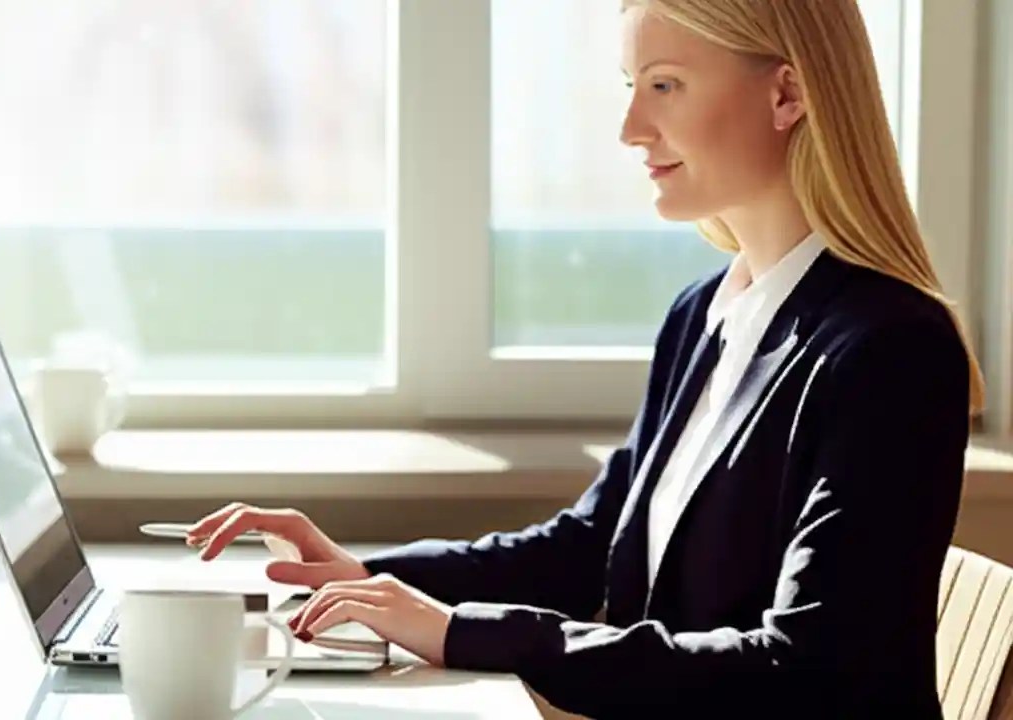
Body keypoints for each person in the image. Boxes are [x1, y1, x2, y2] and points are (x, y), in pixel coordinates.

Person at [188, 1, 986, 717]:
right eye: (631, 85)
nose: (631, 128)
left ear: (787, 94)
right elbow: (592, 546)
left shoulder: (890, 352)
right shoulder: (704, 315)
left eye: (665, 85)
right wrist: (363, 579)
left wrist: (461, 633)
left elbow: (808, 671)